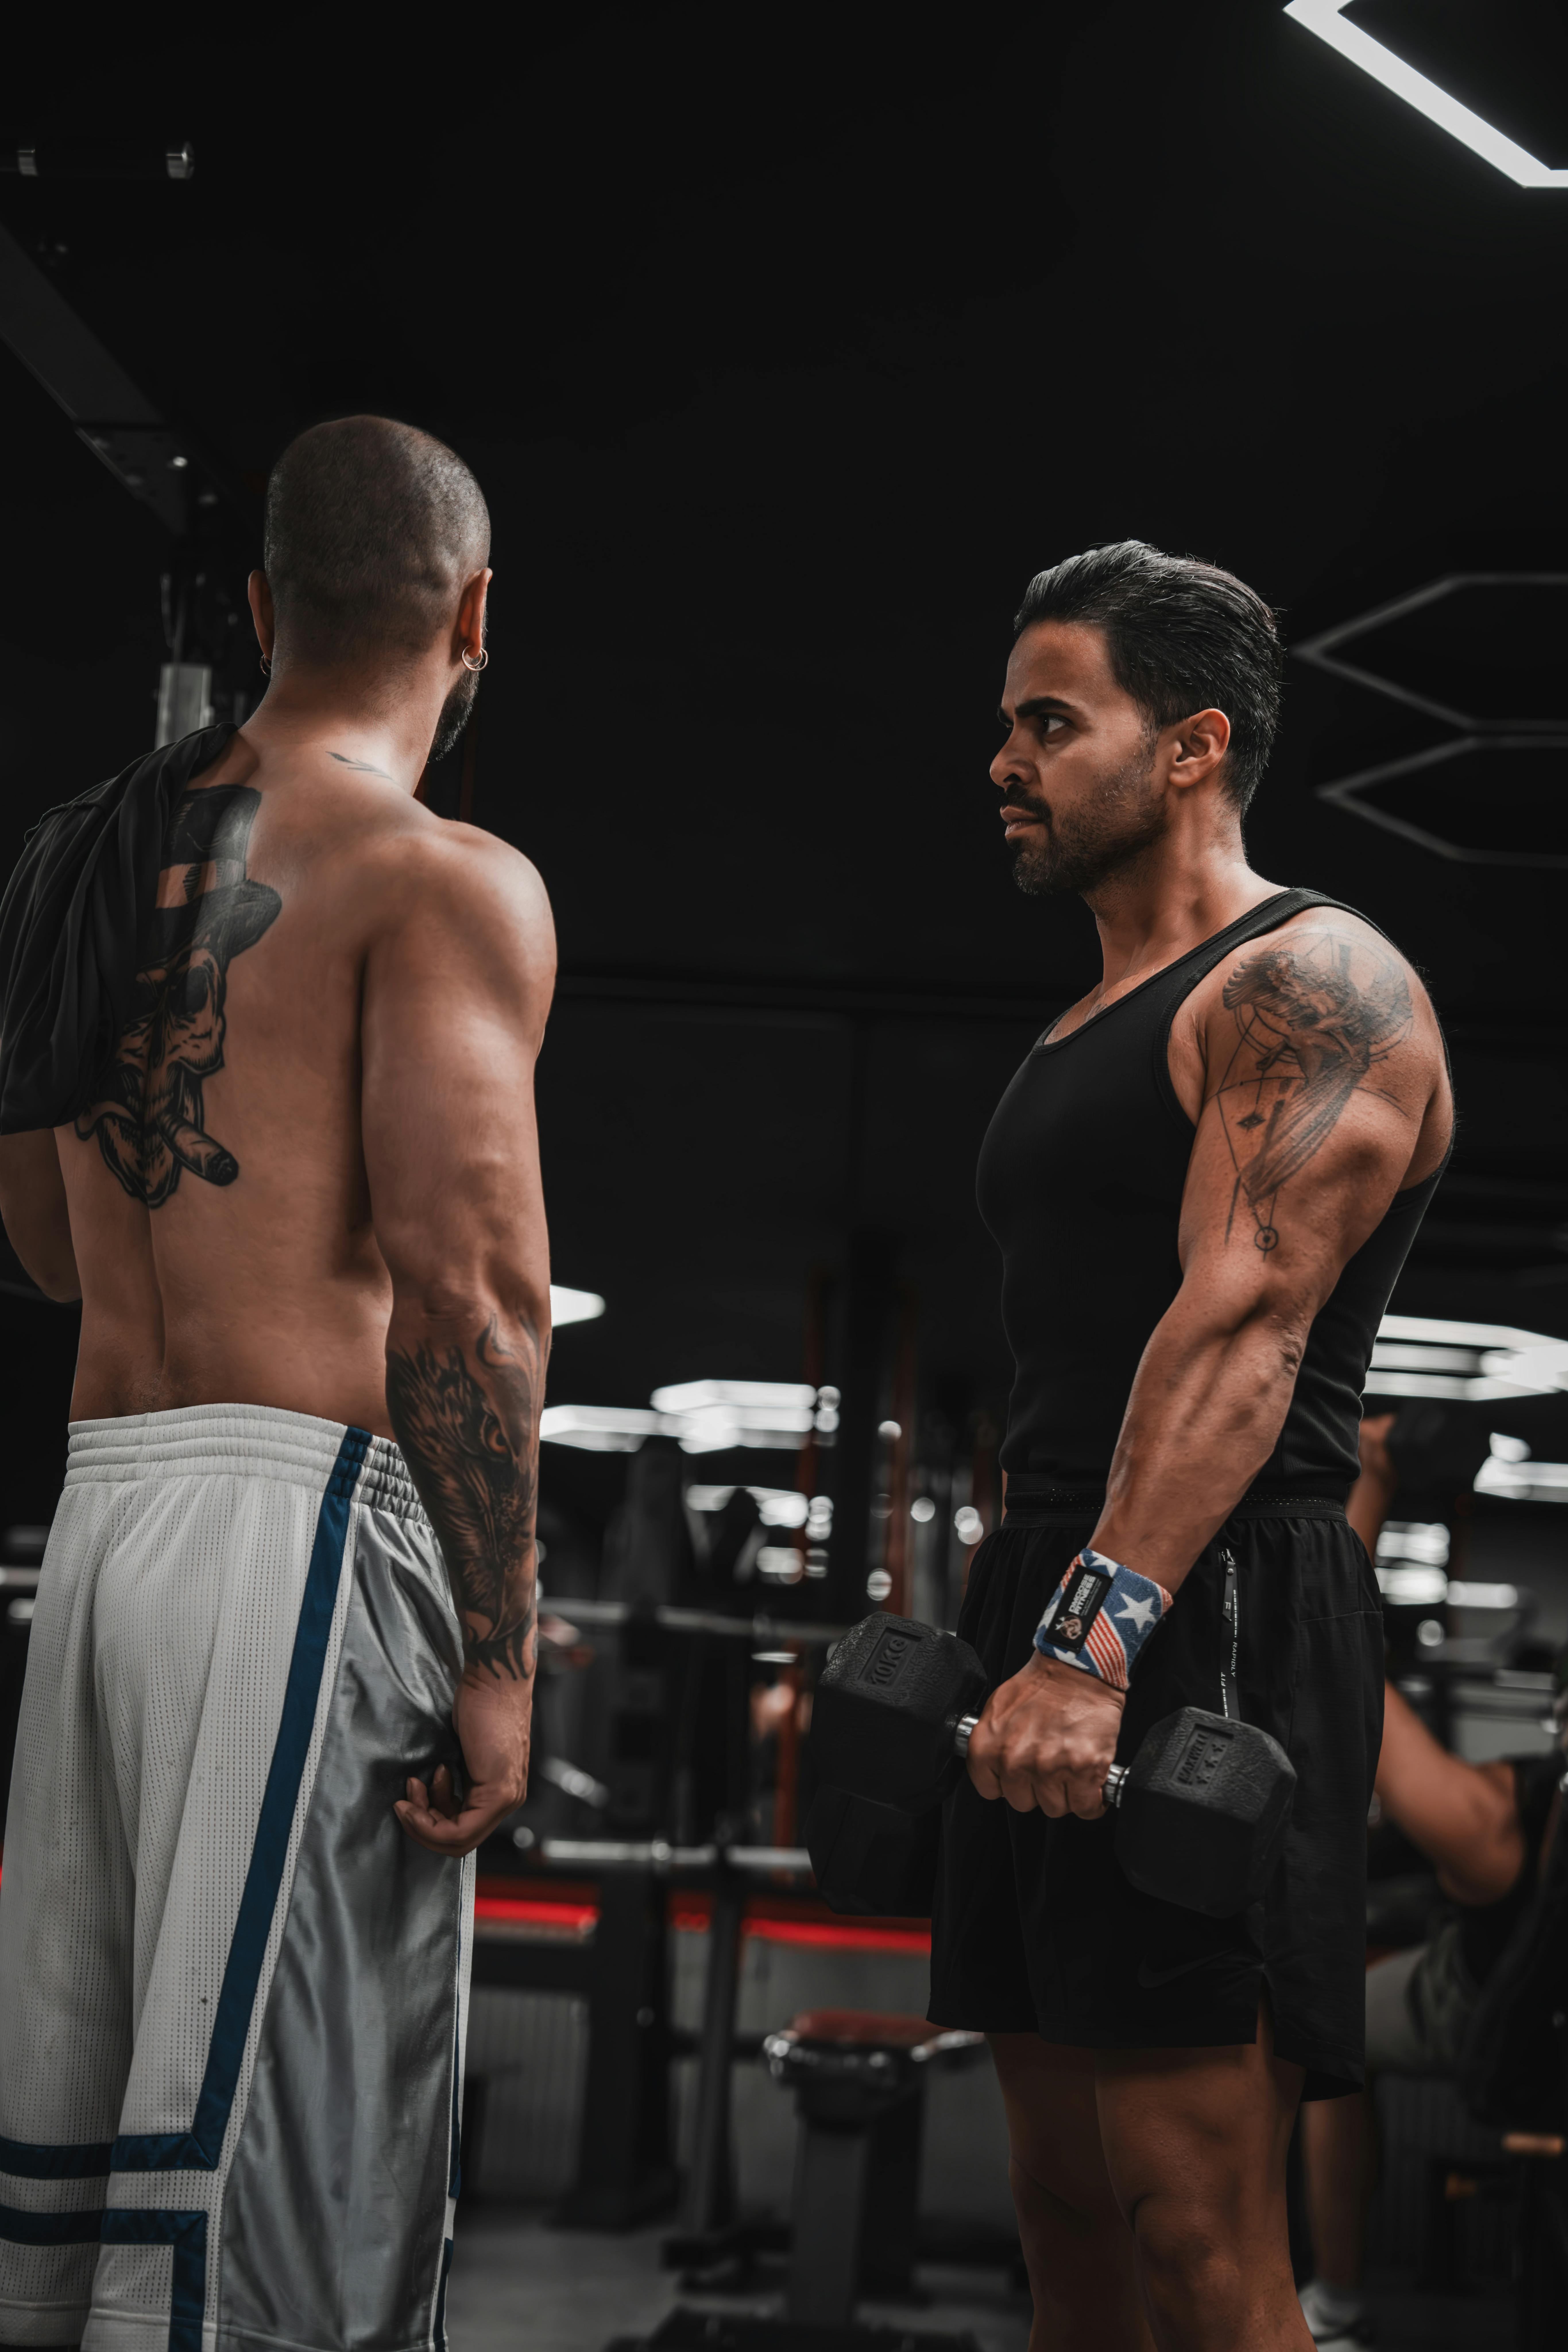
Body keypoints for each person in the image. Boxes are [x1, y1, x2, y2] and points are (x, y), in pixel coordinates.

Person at [0, 417, 555, 2352]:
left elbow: (52, 1250)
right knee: (285, 2200)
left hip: (104, 1524)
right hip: (302, 1532)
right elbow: (475, 1299)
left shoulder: (73, 854)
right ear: (477, 612)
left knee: (89, 2178)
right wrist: (500, 1647)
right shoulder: (436, 875)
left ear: (258, 608)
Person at [929, 542, 1453, 2352]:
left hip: (1199, 1598)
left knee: (1191, 2220)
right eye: (1005, 723)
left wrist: (1094, 1635)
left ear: (1189, 745)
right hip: (1061, 1576)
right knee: (1062, 2203)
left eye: (1049, 721)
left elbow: (1243, 1331)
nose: (1004, 758)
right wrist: (1037, 1616)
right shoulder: (1086, 1019)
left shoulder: (1312, 982)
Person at [1295, 1414, 1566, 2347]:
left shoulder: (1491, 1823)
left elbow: (1338, 1665)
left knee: (1328, 2033)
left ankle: (1334, 2303)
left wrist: (1371, 1475)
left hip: (1507, 2011)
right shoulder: (1505, 1814)